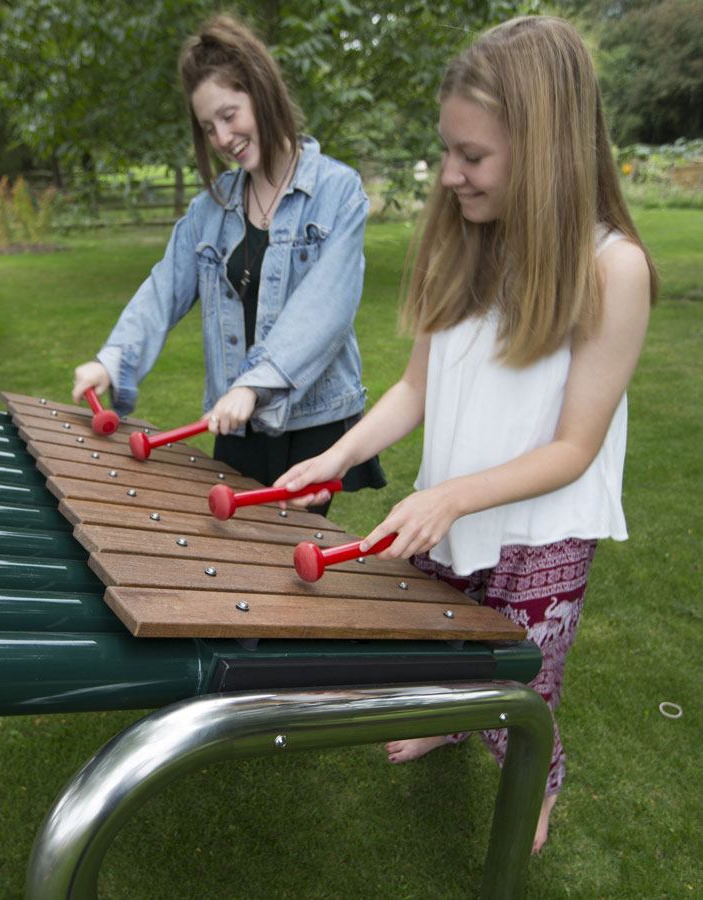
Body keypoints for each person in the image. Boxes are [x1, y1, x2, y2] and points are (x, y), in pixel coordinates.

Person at [274, 15, 656, 853]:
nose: (449, 175)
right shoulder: (463, 246)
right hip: (446, 509)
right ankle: (446, 722)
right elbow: (417, 386)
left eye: (472, 156)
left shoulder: (612, 269)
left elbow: (575, 448)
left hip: (539, 532)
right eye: (447, 150)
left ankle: (535, 782)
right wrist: (336, 456)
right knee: (436, 650)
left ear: (546, 150)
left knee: (517, 693)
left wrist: (450, 497)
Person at [72, 14, 384, 508]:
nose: (221, 137)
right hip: (235, 420)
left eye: (229, 115)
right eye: (208, 127)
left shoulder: (337, 191)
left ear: (262, 93)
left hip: (310, 421)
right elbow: (163, 290)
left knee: (284, 549)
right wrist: (111, 361)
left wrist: (253, 385)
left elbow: (326, 308)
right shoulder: (210, 210)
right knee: (227, 543)